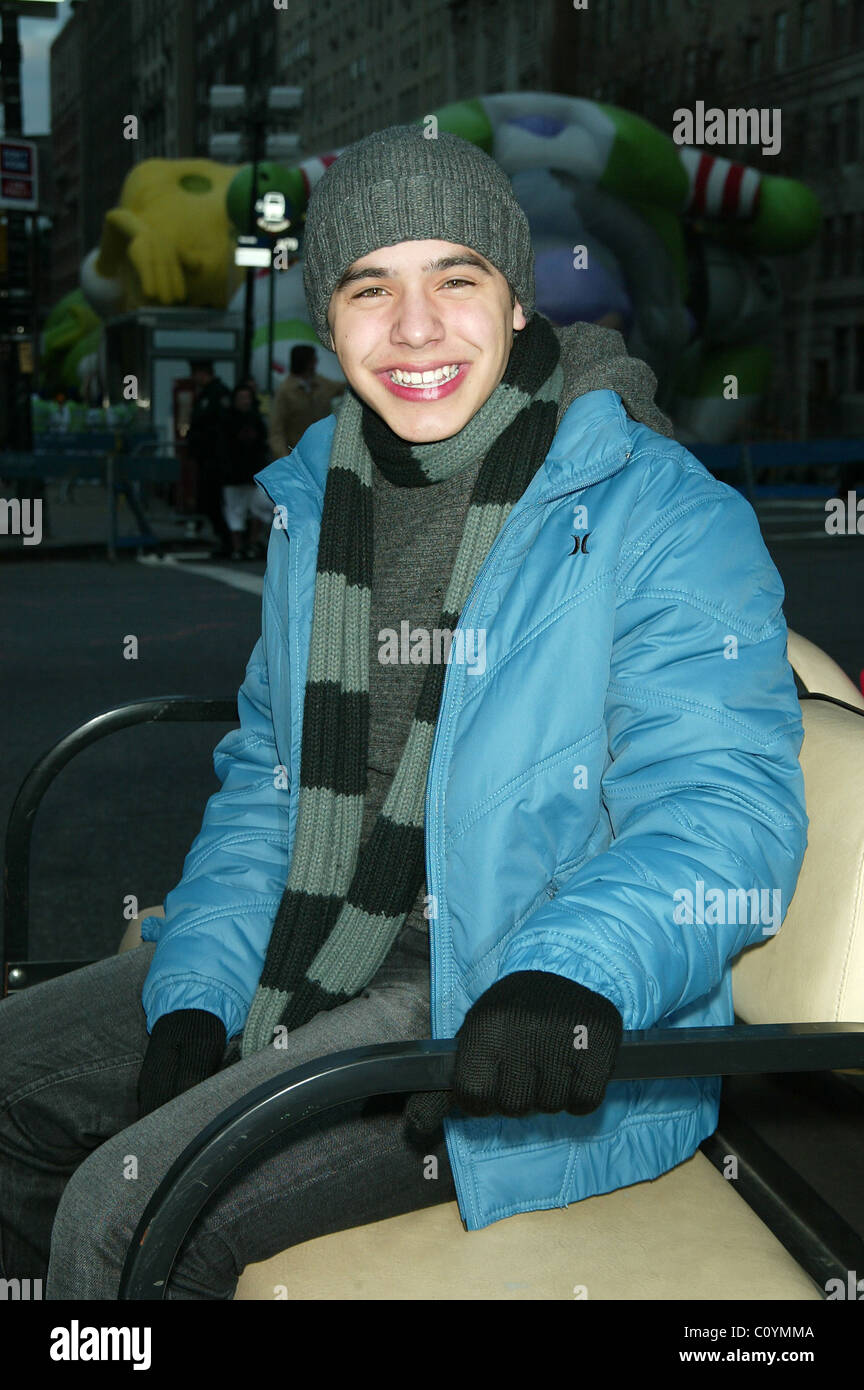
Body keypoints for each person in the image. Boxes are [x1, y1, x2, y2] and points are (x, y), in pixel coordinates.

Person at [0, 124, 808, 1300]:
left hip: (518, 981)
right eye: (370, 287)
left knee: (128, 1214)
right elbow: (270, 781)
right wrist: (197, 991)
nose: (416, 327)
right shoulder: (320, 503)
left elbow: (723, 802)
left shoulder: (660, 507)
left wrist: (571, 971)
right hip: (321, 928)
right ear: (326, 324)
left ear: (519, 304)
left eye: (457, 280)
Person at [186, 358, 233, 558]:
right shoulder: (207, 394)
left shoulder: (217, 394)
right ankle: (224, 539)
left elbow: (218, 426)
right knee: (209, 499)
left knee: (214, 500)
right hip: (206, 456)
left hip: (215, 457)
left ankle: (228, 540)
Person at [221, 383, 273, 560]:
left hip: (250, 471)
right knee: (237, 509)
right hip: (236, 473)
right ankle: (242, 545)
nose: (245, 401)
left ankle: (247, 544)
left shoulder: (252, 420)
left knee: (250, 509)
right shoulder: (242, 420)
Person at [268, 343, 345, 458]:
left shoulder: (320, 383)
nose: (316, 362)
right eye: (314, 359)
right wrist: (284, 459)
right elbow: (276, 430)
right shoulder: (285, 391)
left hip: (322, 453)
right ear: (307, 362)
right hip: (297, 455)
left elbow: (341, 388)